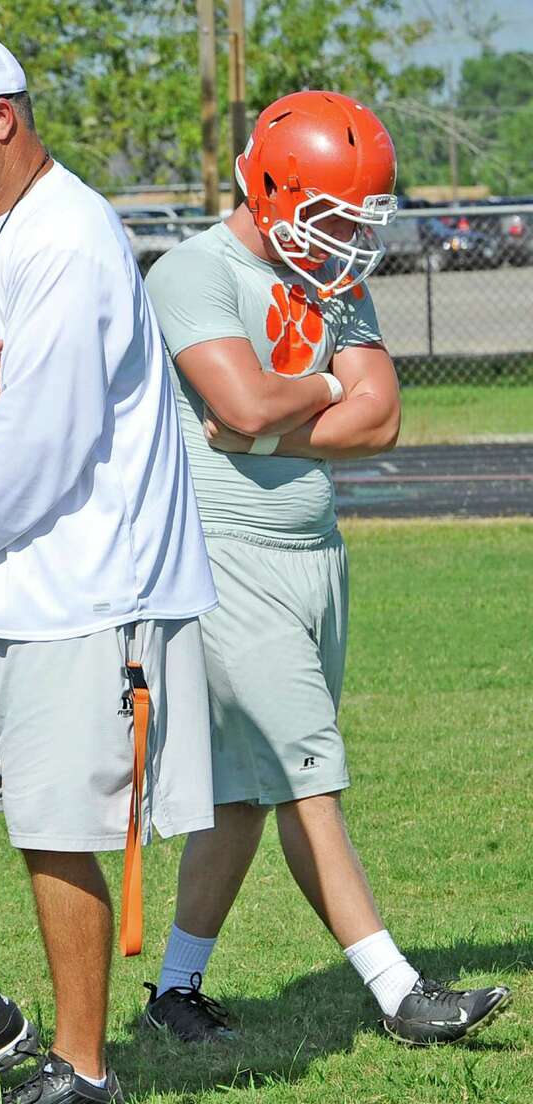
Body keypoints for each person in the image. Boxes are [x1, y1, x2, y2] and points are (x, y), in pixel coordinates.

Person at [0, 27, 218, 1104]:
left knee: (58, 824)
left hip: (85, 582)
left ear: (1, 117)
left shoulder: (72, 237)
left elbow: (47, 445)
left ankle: (86, 1067)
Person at [141, 91, 511, 1047]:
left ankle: (175, 989)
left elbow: (379, 416)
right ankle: (398, 992)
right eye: (331, 219)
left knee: (242, 794)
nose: (349, 245)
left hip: (316, 555)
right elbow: (239, 397)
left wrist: (273, 424)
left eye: (359, 223)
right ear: (269, 190)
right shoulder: (194, 271)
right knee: (309, 774)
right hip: (225, 559)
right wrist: (317, 388)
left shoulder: (331, 277)